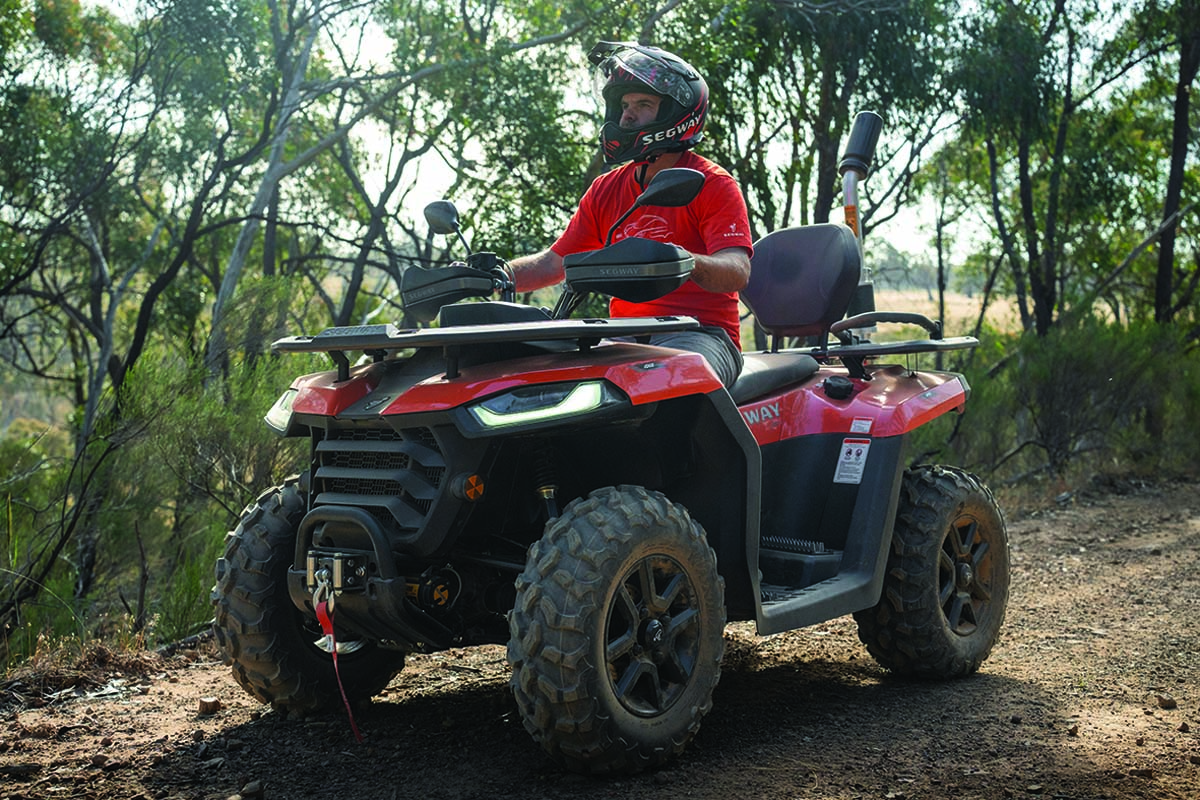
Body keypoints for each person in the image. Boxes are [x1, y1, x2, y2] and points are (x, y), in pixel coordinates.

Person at [510, 41, 753, 387]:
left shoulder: (712, 184)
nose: (626, 115)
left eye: (642, 104)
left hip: (701, 335)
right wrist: (498, 274)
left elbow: (737, 271)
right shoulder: (606, 189)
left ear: (674, 112)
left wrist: (681, 261)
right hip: (625, 337)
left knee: (666, 380)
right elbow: (555, 262)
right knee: (548, 383)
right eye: (624, 104)